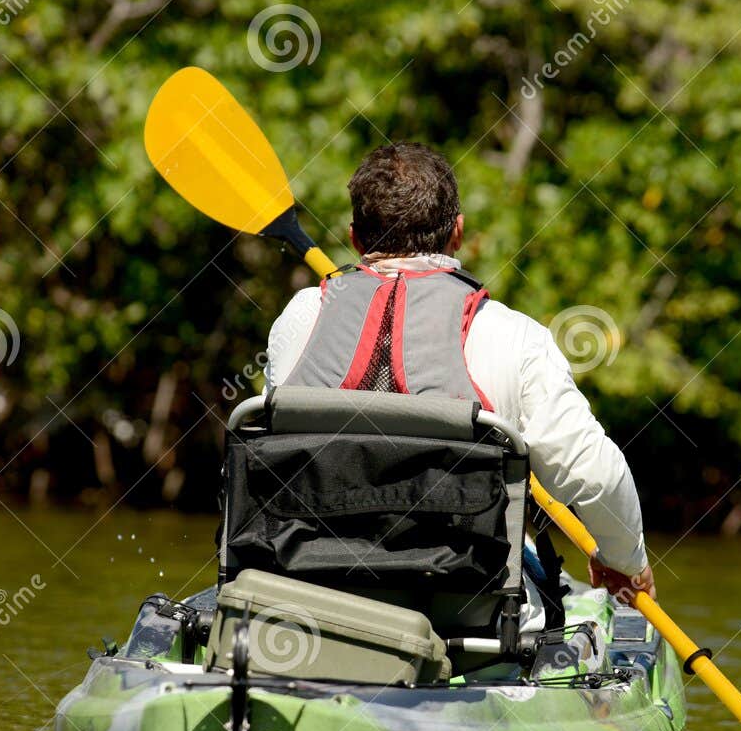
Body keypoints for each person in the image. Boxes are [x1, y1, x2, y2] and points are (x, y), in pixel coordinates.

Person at [263, 141, 654, 605]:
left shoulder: (300, 317)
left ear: (355, 239)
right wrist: (627, 563)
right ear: (458, 233)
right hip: (469, 617)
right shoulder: (516, 338)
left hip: (308, 595)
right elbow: (597, 479)